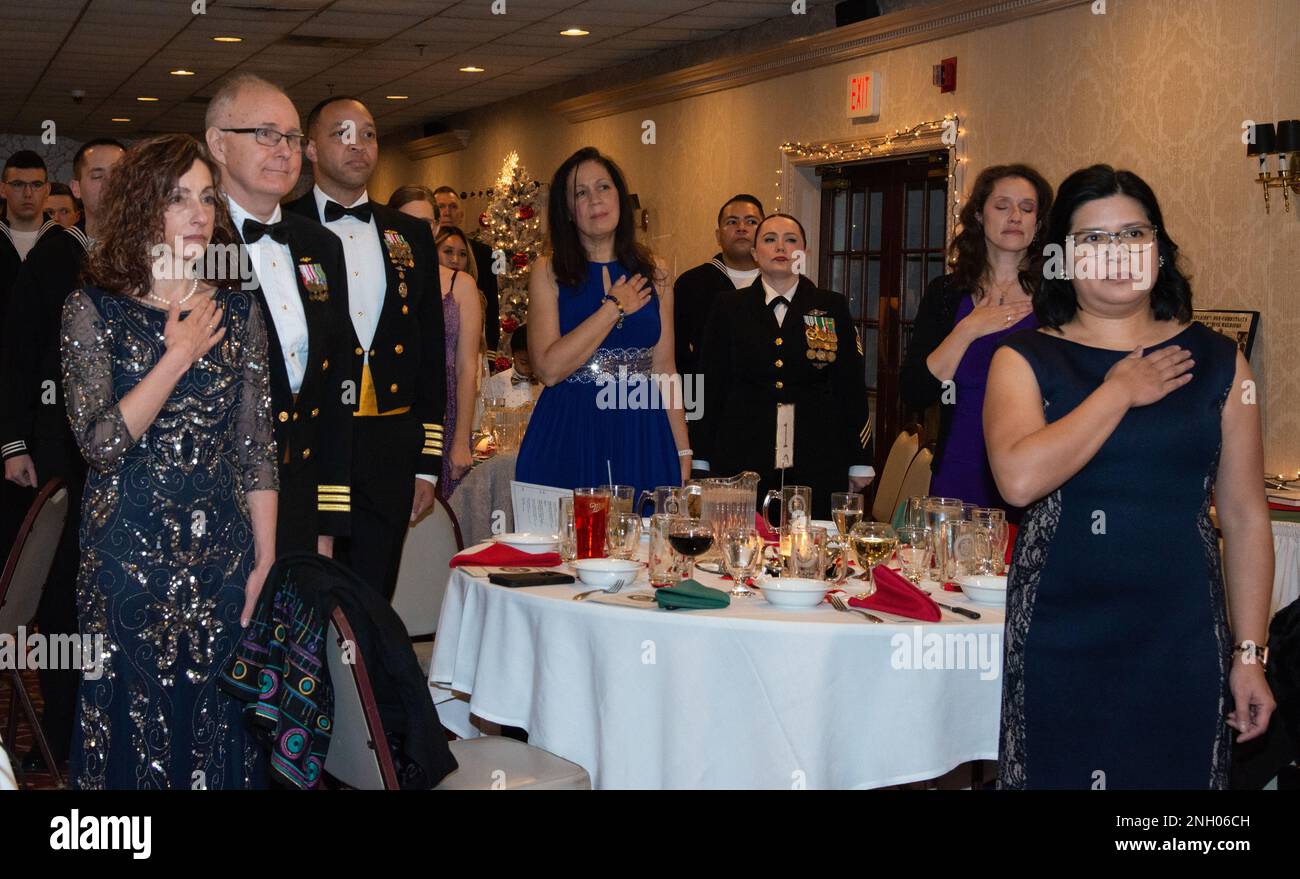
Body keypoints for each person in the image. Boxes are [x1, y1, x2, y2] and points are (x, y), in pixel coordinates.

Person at [986, 164, 1275, 789]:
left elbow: (1248, 516)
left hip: (1182, 631)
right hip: (1062, 627)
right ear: (1061, 257)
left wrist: (1250, 654)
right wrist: (1117, 392)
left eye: (1133, 234)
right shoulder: (1024, 358)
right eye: (1093, 239)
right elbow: (1018, 481)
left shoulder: (1222, 362)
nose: (1115, 254)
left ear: (1160, 250)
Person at [61, 134, 276, 789]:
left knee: (220, 724)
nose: (197, 212)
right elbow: (98, 443)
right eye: (177, 196)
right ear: (141, 207)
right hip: (126, 558)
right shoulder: (90, 308)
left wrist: (265, 554)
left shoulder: (237, 311)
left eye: (206, 197)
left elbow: (257, 445)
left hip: (224, 556)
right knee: (133, 726)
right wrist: (176, 354)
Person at [284, 96, 448, 598]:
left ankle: (368, 677)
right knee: (308, 586)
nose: (359, 145)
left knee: (374, 591)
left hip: (390, 444)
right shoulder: (282, 228)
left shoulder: (411, 233)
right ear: (310, 148)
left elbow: (430, 350)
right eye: (342, 133)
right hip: (311, 441)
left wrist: (427, 460)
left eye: (369, 134)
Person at [0, 137, 124, 775]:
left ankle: (111, 725)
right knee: (61, 598)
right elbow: (15, 356)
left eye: (119, 175)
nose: (108, 185)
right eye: (96, 175)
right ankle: (59, 731)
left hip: (126, 456)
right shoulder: (51, 258)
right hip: (57, 455)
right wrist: (14, 443)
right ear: (75, 188)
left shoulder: (142, 255)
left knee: (112, 593)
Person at [204, 73, 354, 558]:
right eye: (266, 134)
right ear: (218, 145)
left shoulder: (320, 246)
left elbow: (337, 382)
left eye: (292, 138)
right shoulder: (192, 244)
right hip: (214, 498)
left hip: (301, 492)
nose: (285, 150)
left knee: (292, 631)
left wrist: (326, 519)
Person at [515, 147, 690, 496]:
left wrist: (683, 449)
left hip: (641, 427)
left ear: (620, 198)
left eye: (604, 187)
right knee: (570, 545)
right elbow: (548, 369)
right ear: (567, 211)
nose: (596, 200)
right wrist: (613, 308)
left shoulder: (655, 272)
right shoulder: (548, 272)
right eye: (581, 192)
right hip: (570, 426)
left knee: (641, 543)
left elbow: (665, 367)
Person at [696, 213, 871, 520]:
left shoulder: (831, 306)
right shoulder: (729, 307)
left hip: (817, 451)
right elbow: (709, 384)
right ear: (754, 253)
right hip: (742, 451)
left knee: (810, 551)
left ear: (804, 253)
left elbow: (850, 385)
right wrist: (700, 456)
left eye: (791, 240)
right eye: (769, 239)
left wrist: (859, 459)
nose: (780, 246)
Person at [900, 164, 1052, 515]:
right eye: (1002, 206)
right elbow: (915, 391)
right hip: (957, 472)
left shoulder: (1057, 300)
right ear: (980, 216)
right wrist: (968, 329)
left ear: (1038, 223)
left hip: (1032, 478)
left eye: (1027, 208)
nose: (1015, 216)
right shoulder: (946, 294)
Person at [429, 225, 483, 498]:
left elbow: (468, 366)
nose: (455, 258)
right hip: (408, 402)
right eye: (447, 251)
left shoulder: (461, 285)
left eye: (462, 254)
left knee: (446, 503)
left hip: (449, 401)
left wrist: (461, 439)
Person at [432, 185, 500, 352]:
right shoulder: (423, 251)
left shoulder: (485, 253)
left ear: (461, 215)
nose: (447, 212)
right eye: (441, 206)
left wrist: (489, 351)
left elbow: (491, 305)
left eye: (453, 206)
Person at [480, 323, 539, 408]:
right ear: (512, 354)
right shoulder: (496, 383)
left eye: (533, 363)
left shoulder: (545, 384)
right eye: (523, 362)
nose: (529, 368)